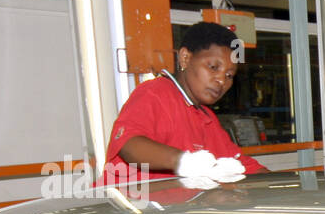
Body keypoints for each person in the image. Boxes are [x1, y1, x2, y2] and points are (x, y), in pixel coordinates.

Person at [102, 22, 266, 189]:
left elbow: (241, 163)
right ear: (185, 58)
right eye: (213, 67)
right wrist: (183, 162)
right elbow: (129, 145)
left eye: (229, 75)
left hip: (172, 211)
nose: (222, 80)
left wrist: (279, 184)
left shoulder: (207, 118)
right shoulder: (154, 94)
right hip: (128, 209)